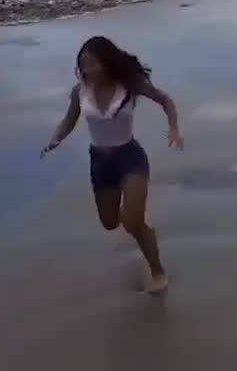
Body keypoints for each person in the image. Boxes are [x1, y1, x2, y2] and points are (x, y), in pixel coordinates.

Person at [42, 36, 182, 293]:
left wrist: (174, 129)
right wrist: (55, 139)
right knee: (110, 222)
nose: (87, 70)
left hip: (130, 158)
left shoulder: (130, 85)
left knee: (135, 222)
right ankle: (138, 224)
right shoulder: (79, 91)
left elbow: (165, 100)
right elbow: (69, 120)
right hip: (100, 163)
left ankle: (157, 271)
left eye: (92, 63)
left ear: (106, 62)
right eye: (83, 65)